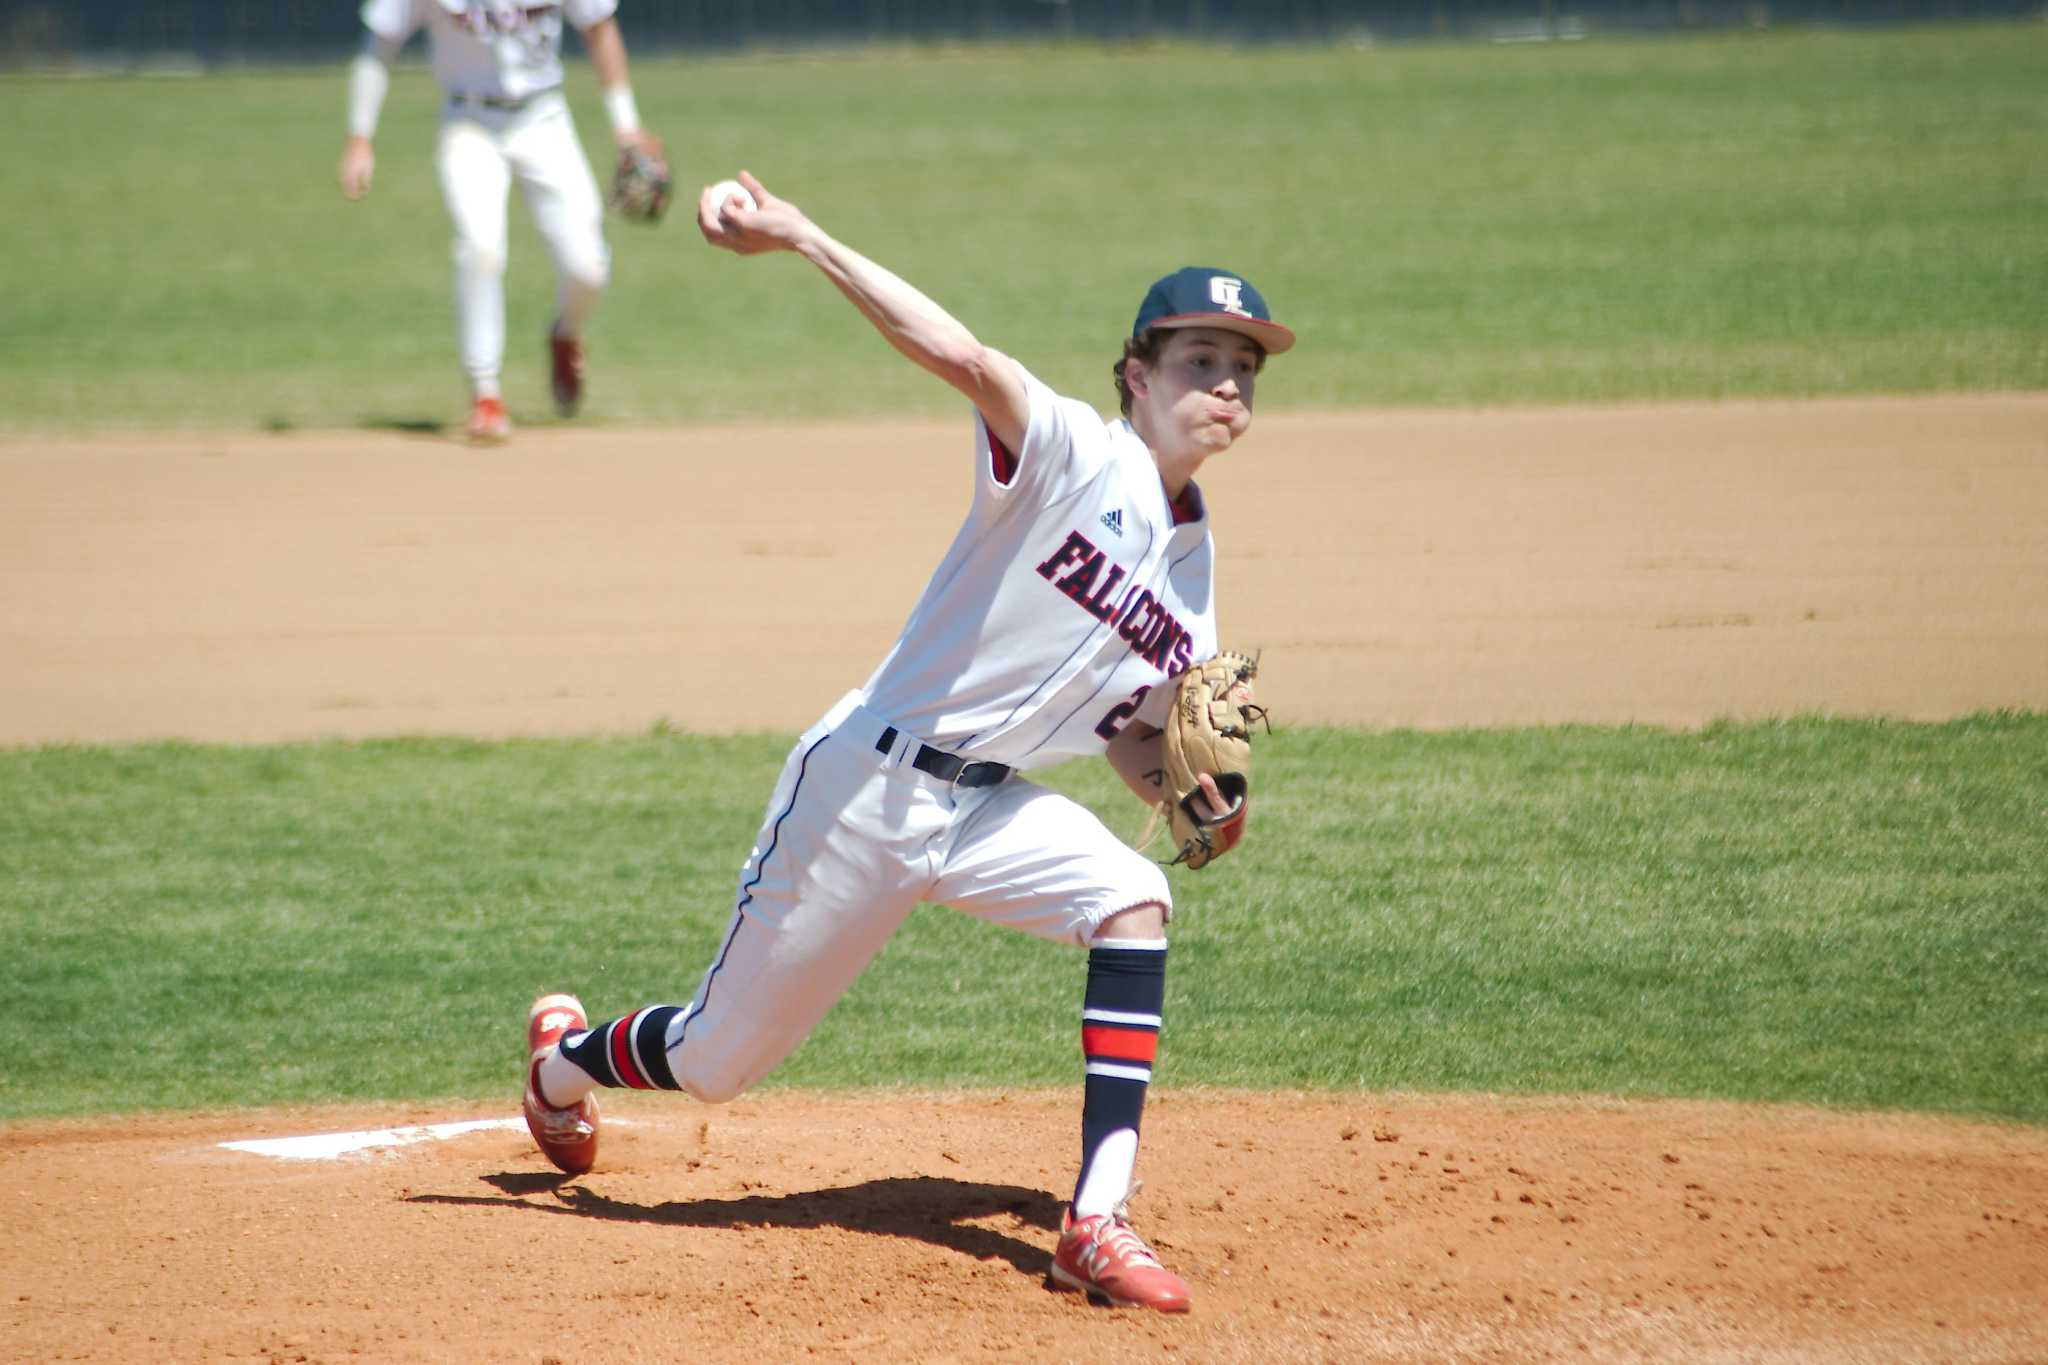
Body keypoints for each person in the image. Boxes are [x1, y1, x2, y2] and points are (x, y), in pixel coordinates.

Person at [520, 170, 1293, 1313]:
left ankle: (1094, 1221)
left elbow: (1135, 736)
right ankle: (558, 1064)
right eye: (1197, 361)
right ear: (1136, 375)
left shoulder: (1194, 563)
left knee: (1133, 899)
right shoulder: (1072, 454)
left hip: (986, 810)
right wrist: (798, 235)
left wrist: (1196, 802)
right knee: (717, 1063)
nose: (1222, 384)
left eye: (1241, 370)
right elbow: (964, 359)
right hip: (865, 788)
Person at [337, 1, 662, 443]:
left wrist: (627, 126)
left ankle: (566, 333)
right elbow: (379, 44)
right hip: (468, 121)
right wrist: (360, 137)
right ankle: (485, 394)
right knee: (480, 246)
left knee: (588, 267)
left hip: (543, 117)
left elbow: (599, 26)